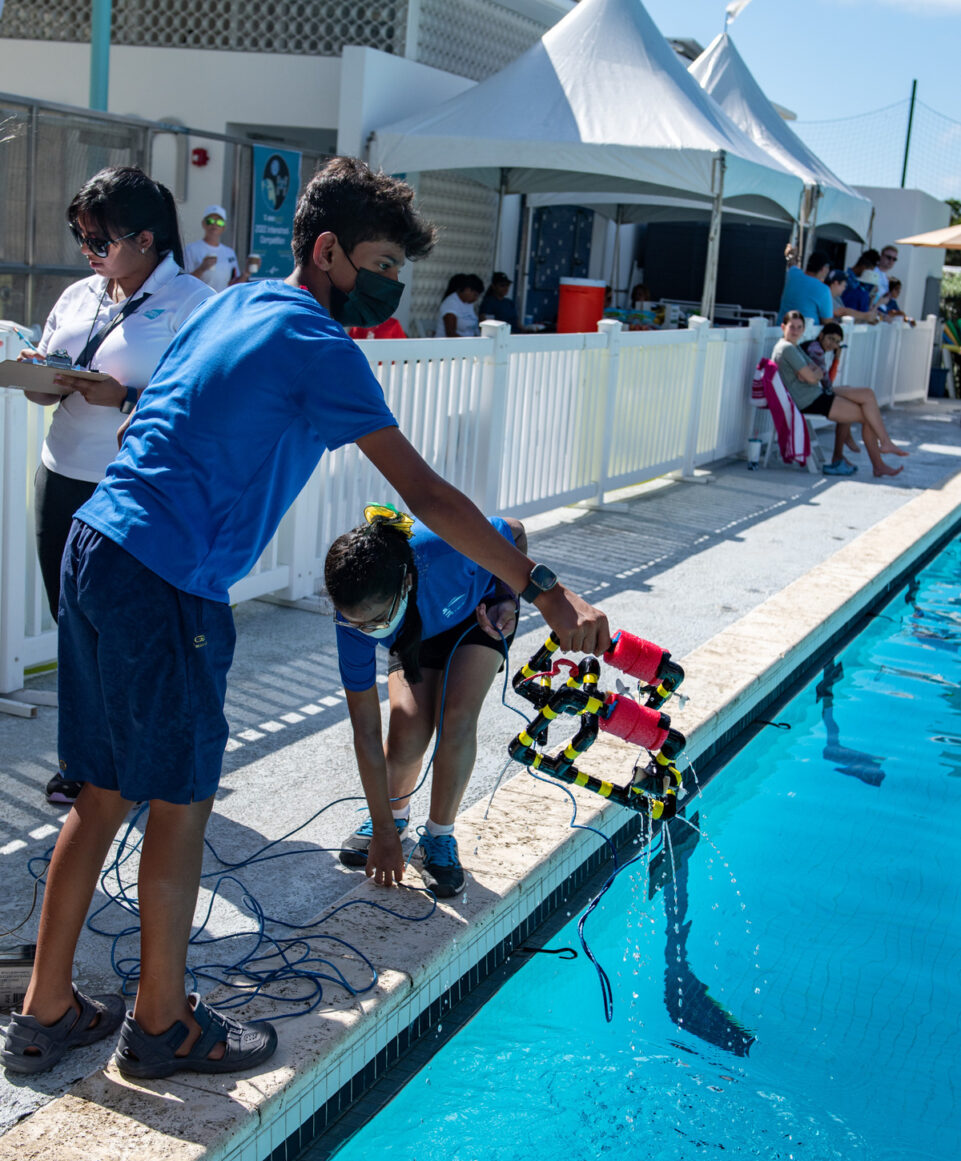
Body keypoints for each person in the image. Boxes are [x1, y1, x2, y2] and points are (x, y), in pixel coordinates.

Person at [1, 156, 608, 1081]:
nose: (386, 284)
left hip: (98, 542)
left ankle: (47, 1013)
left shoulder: (232, 304)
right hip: (165, 577)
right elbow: (430, 499)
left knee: (102, 790)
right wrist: (546, 589)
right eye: (375, 262)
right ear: (326, 251)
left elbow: (143, 425)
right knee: (179, 796)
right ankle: (161, 1028)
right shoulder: (321, 347)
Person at [17, 165, 211, 805]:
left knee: (125, 633)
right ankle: (84, 758)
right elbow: (52, 364)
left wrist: (125, 394)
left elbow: (202, 402)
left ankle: (129, 759)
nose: (89, 253)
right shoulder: (80, 295)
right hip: (62, 473)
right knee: (68, 621)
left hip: (133, 491)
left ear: (149, 239)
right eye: (82, 239)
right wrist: (39, 377)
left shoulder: (192, 305)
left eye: (102, 241)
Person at [326, 504, 524, 898]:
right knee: (407, 735)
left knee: (457, 720)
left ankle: (439, 837)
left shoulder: (446, 544)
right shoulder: (352, 623)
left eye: (373, 623)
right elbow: (365, 731)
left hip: (477, 617)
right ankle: (395, 820)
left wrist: (507, 595)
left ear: (404, 584)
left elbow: (513, 531)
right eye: (355, 623)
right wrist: (383, 832)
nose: (363, 632)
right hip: (415, 633)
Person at [773, 311, 908, 480]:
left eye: (799, 327)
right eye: (792, 327)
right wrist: (813, 374)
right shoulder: (787, 349)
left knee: (867, 396)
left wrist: (813, 374)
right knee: (867, 413)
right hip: (810, 400)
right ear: (783, 327)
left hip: (814, 394)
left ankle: (881, 448)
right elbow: (813, 376)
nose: (795, 330)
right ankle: (880, 457)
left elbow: (818, 374)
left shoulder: (794, 346)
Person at [800, 321, 857, 475]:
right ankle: (839, 455)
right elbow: (827, 384)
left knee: (848, 398)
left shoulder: (815, 347)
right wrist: (837, 359)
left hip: (806, 394)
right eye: (830, 339)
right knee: (847, 408)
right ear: (821, 335)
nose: (833, 344)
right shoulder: (815, 351)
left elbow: (826, 383)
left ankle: (842, 449)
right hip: (804, 398)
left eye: (837, 342)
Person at [184, 205, 252, 292]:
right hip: (200, 303)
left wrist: (246, 273)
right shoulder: (191, 249)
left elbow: (233, 286)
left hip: (221, 303)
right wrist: (202, 268)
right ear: (203, 224)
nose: (214, 225)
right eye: (210, 221)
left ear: (224, 227)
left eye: (219, 222)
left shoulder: (229, 252)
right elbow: (184, 282)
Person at [777, 246, 834, 325]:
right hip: (804, 335)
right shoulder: (824, 290)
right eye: (828, 267)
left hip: (781, 329)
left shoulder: (793, 275)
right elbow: (827, 322)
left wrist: (791, 254)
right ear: (823, 268)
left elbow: (791, 263)